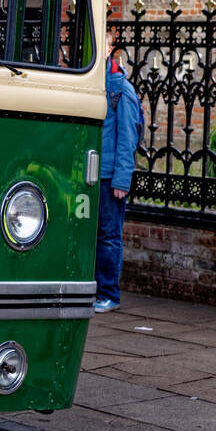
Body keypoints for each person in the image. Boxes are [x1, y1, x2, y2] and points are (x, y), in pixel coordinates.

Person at [95, 31, 142, 312]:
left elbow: (128, 137)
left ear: (109, 50)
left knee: (109, 235)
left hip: (108, 176)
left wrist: (122, 180)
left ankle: (109, 293)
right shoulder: (91, 84)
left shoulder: (121, 89)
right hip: (90, 173)